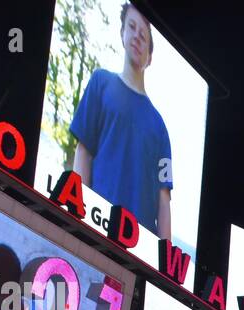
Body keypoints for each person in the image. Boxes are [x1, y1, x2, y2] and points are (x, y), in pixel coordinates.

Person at [70, 3, 173, 239]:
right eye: (132, 27)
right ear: (122, 34)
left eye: (143, 35)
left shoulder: (160, 127)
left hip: (137, 250)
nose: (136, 36)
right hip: (96, 228)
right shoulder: (100, 83)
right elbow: (83, 152)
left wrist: (163, 270)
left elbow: (163, 200)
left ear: (150, 57)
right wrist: (77, 219)